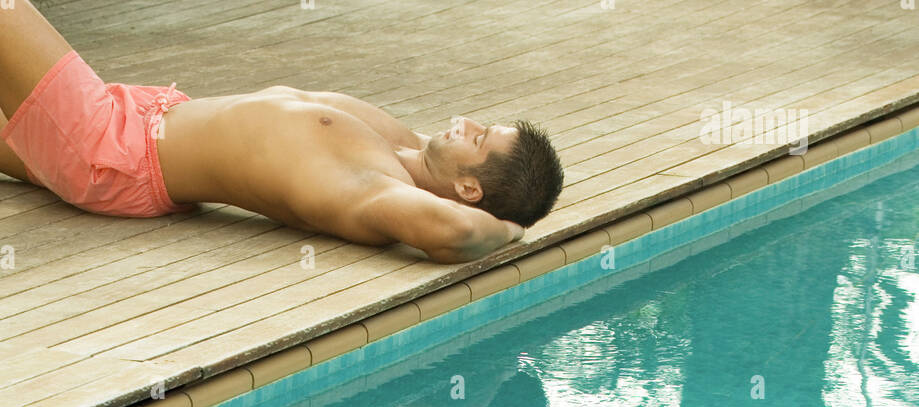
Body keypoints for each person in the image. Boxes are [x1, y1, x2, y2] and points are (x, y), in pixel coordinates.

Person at [0, 1, 564, 263]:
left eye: (479, 136)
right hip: (131, 126)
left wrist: (511, 228)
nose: (465, 123)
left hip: (109, 147)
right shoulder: (407, 148)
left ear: (470, 190)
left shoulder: (376, 190)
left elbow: (457, 234)